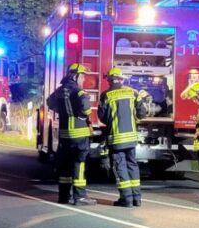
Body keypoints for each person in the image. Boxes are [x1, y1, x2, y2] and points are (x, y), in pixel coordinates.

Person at [98, 67, 149, 207]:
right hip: (131, 138)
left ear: (109, 80)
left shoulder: (106, 95)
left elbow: (102, 117)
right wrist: (133, 120)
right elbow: (142, 113)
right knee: (132, 165)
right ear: (121, 79)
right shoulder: (133, 92)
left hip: (116, 138)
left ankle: (126, 199)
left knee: (120, 167)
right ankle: (137, 199)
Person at [46, 63, 95, 206]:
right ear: (75, 76)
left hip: (64, 135)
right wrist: (81, 115)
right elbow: (86, 110)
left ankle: (63, 196)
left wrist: (63, 111)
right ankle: (80, 197)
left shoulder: (60, 90)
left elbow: (50, 103)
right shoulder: (79, 92)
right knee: (79, 164)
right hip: (79, 135)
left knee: (65, 165)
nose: (83, 79)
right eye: (82, 76)